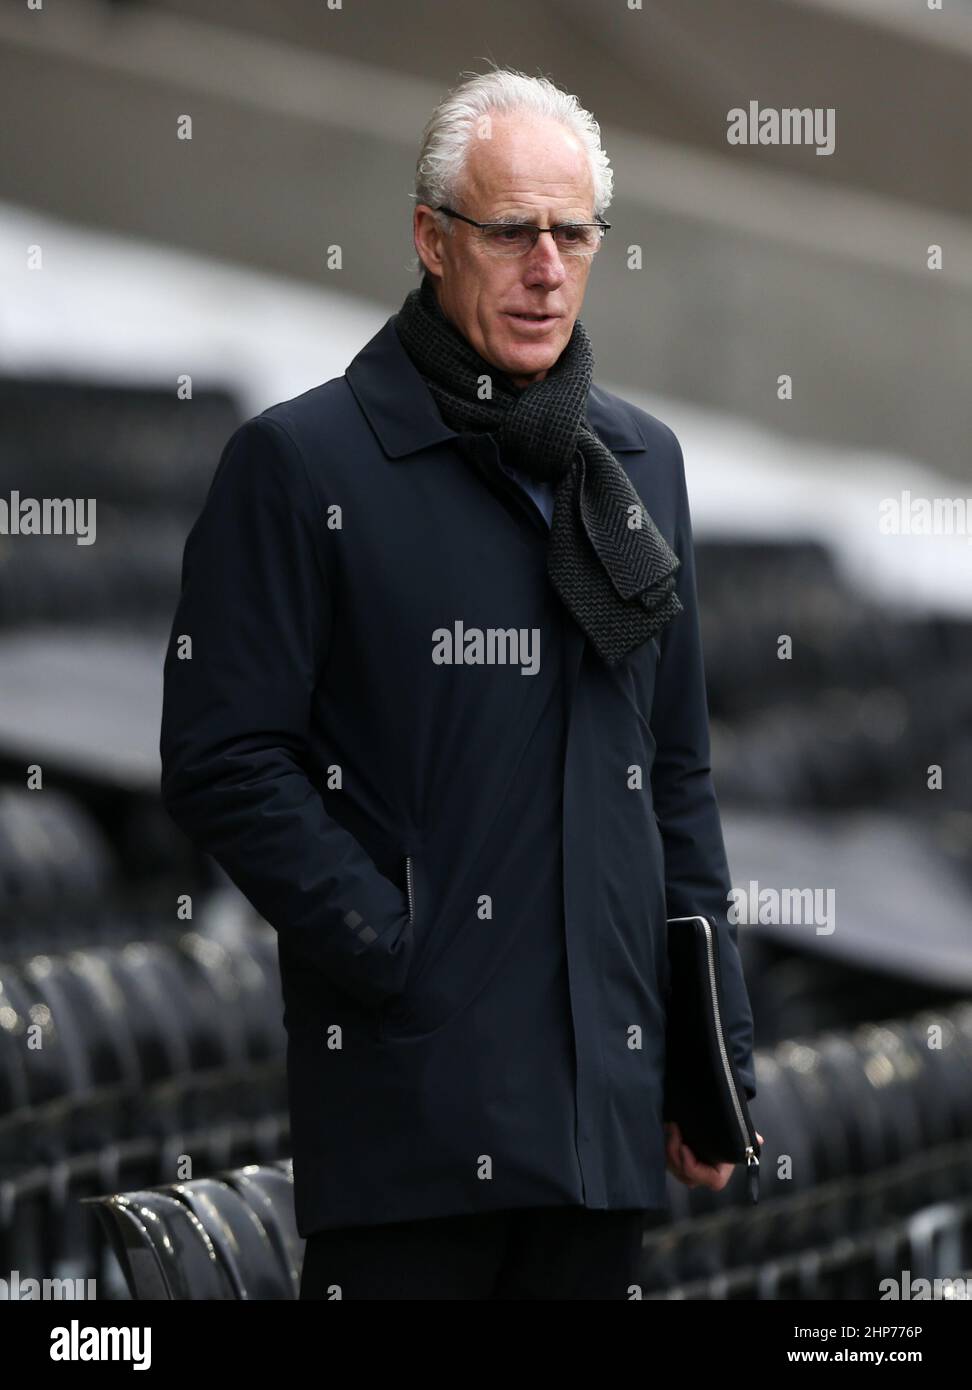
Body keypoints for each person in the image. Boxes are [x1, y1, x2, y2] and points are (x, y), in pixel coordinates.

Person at [159, 66, 760, 1301]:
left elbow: (677, 777)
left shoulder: (643, 465)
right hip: (413, 1126)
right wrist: (402, 946)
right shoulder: (302, 461)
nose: (546, 266)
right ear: (432, 240)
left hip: (605, 1128)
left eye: (573, 234)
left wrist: (713, 1059)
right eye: (512, 231)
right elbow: (223, 755)